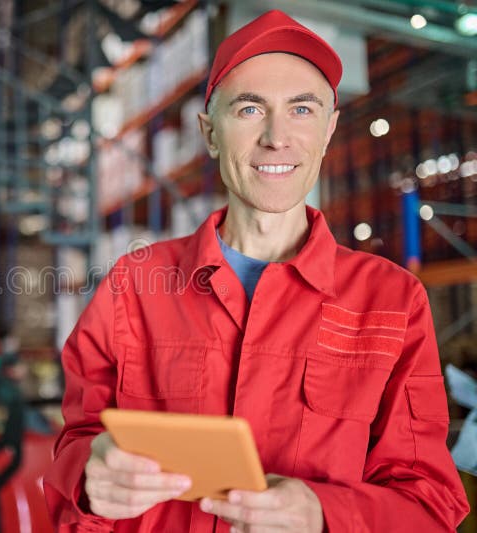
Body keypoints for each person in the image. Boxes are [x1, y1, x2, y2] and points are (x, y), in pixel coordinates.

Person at [44, 10, 470, 532]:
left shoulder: (391, 300)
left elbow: (430, 504)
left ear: (329, 128)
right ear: (210, 133)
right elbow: (75, 449)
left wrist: (322, 515)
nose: (276, 136)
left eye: (302, 109)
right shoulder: (135, 285)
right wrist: (90, 476)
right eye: (249, 109)